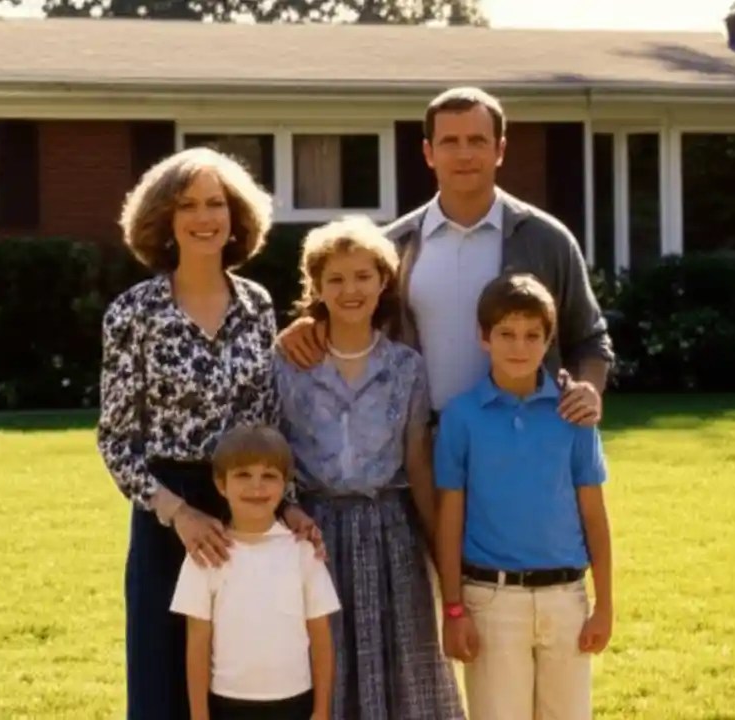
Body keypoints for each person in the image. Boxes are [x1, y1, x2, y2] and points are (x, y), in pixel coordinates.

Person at [97, 147, 322, 720]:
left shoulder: (257, 306)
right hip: (167, 515)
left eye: (216, 203)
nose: (204, 217)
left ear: (235, 216)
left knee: (237, 678)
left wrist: (287, 505)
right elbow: (116, 441)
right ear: (164, 221)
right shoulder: (133, 313)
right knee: (163, 676)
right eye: (188, 205)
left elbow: (267, 424)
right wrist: (179, 513)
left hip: (245, 507)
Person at [277, 86, 613, 427]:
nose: (463, 154)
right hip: (421, 442)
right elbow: (350, 317)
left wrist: (588, 389)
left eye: (477, 141)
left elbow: (589, 338)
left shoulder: (546, 240)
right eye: (450, 142)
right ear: (428, 152)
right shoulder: (395, 245)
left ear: (500, 150)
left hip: (519, 437)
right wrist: (305, 328)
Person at [274, 216, 465, 720]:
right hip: (315, 534)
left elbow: (419, 464)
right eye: (335, 279)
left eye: (362, 276)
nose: (350, 289)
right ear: (316, 287)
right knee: (325, 669)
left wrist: (443, 561)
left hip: (391, 533)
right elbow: (272, 454)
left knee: (406, 668)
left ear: (384, 281)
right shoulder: (288, 364)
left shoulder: (406, 368)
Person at [434, 273, 614, 720]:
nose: (519, 346)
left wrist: (605, 605)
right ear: (483, 338)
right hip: (491, 602)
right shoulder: (461, 417)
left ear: (548, 339)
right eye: (506, 334)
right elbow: (450, 519)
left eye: (533, 335)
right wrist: (454, 608)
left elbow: (594, 514)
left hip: (565, 598)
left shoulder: (573, 413)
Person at [170, 425, 339, 720]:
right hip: (228, 704)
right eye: (243, 475)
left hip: (295, 702)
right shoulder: (206, 556)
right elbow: (197, 642)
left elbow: (321, 636)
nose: (257, 487)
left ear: (285, 484)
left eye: (269, 476)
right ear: (221, 485)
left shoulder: (303, 552)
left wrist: (322, 710)